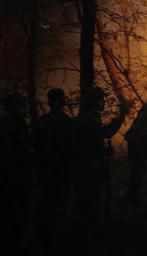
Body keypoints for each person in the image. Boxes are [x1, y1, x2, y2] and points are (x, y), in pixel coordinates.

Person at [70, 87, 130, 248]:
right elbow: (106, 132)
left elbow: (88, 142)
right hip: (87, 169)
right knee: (88, 204)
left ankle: (82, 236)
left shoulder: (85, 118)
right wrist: (120, 116)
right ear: (94, 102)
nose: (102, 102)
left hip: (84, 167)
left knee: (85, 203)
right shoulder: (88, 119)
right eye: (100, 99)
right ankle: (83, 239)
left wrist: (103, 151)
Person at [32, 88, 73, 254]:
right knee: (59, 205)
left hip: (45, 172)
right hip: (60, 171)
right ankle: (56, 242)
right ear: (61, 101)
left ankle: (43, 240)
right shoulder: (65, 121)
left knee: (46, 204)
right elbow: (72, 147)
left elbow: (33, 144)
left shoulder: (41, 121)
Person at [0, 93, 31, 253]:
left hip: (20, 179)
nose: (23, 107)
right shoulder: (8, 126)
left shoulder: (19, 124)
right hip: (10, 180)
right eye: (19, 104)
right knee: (11, 218)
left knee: (19, 219)